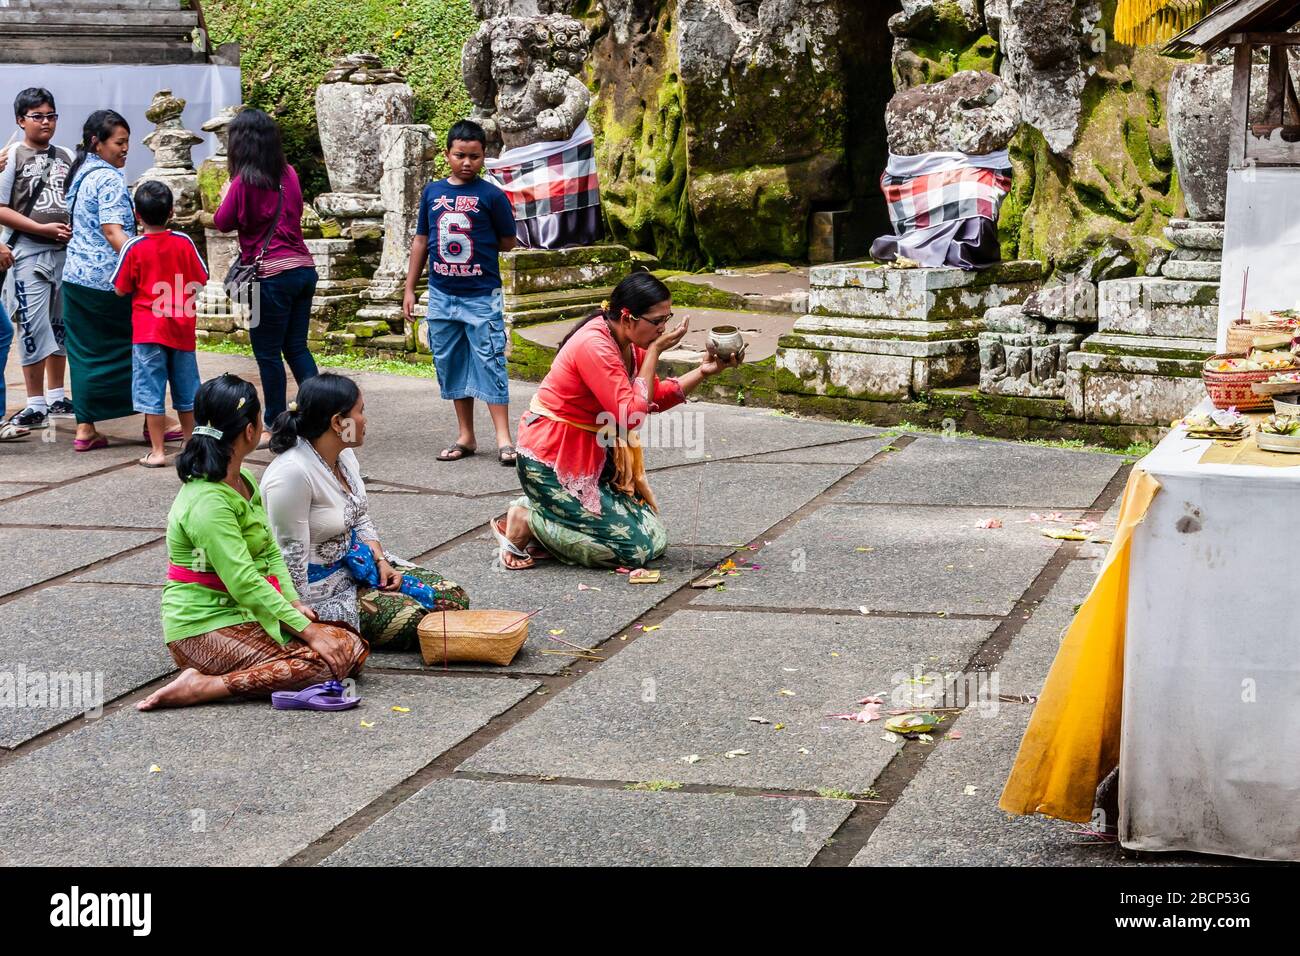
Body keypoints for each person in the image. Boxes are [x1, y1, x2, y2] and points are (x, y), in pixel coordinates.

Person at [137, 374, 368, 711]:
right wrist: (305, 629)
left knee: (350, 645)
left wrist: (291, 603)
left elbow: (270, 550)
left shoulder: (241, 478)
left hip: (249, 613)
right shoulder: (207, 501)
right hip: (203, 626)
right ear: (249, 430)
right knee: (323, 664)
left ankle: (224, 677)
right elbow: (243, 580)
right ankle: (205, 687)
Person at [497, 273, 740, 570]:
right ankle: (528, 519)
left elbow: (653, 397)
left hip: (590, 461)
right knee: (633, 550)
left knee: (654, 535)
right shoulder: (594, 345)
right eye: (658, 321)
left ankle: (549, 513)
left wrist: (704, 371)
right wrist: (654, 352)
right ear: (627, 317)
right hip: (550, 462)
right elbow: (631, 415)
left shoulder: (626, 338)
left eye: (667, 318)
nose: (664, 328)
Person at [261, 373, 469, 651]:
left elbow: (360, 516)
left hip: (357, 562)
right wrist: (302, 623)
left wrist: (381, 561)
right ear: (338, 422)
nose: (365, 420)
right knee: (415, 619)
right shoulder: (292, 474)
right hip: (316, 592)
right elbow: (289, 555)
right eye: (360, 412)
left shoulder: (344, 454)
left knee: (451, 598)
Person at [403, 119, 518, 466]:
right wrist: (410, 288)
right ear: (447, 154)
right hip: (441, 294)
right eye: (459, 155)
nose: (467, 163)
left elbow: (508, 241)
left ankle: (504, 439)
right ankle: (465, 435)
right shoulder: (433, 193)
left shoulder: (492, 196)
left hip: (481, 295)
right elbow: (421, 240)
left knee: (490, 360)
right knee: (451, 363)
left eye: (475, 156)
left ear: (484, 157)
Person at [63, 109, 180, 452]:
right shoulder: (110, 178)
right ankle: (152, 420)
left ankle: (85, 428)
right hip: (111, 282)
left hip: (76, 279)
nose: (126, 148)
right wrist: (145, 265)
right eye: (120, 142)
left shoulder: (80, 173)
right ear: (96, 143)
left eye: (127, 141)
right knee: (141, 351)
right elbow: (114, 232)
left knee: (85, 355)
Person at [214, 108, 318, 446]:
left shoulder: (244, 181)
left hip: (269, 278)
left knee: (269, 353)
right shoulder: (288, 173)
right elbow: (296, 213)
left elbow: (222, 221)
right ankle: (321, 412)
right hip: (303, 269)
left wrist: (226, 192)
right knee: (297, 347)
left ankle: (274, 423)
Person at [112, 180, 208, 467]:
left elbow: (120, 288)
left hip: (147, 331)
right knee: (187, 389)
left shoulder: (133, 247)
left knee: (150, 391)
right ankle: (190, 446)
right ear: (172, 212)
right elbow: (201, 277)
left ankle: (157, 451)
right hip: (181, 328)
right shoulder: (184, 242)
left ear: (136, 214)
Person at [0, 88, 74, 430]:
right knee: (32, 324)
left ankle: (58, 395)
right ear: (20, 120)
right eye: (38, 116)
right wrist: (42, 230)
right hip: (27, 252)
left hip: (64, 252)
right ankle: (34, 401)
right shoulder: (11, 156)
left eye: (51, 115)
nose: (46, 122)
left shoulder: (66, 155)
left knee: (60, 326)